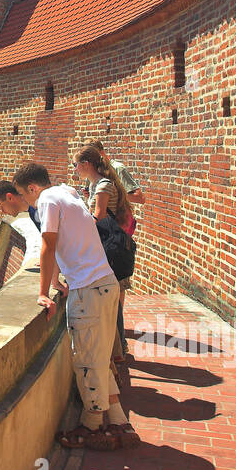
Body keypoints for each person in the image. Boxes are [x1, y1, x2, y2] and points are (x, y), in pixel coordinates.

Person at [14, 161, 140, 452]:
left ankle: (92, 426)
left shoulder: (45, 200)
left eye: (25, 195)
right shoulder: (67, 192)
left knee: (85, 359)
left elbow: (48, 244)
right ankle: (119, 422)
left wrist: (43, 291)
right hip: (105, 284)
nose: (27, 202)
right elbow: (64, 244)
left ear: (32, 188)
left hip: (89, 290)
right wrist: (58, 279)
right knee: (99, 359)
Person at [84, 140, 145, 363]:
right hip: (109, 237)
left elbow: (139, 196)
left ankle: (119, 346)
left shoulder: (113, 172)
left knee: (116, 291)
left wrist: (110, 195)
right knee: (113, 292)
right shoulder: (97, 180)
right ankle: (118, 344)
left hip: (115, 237)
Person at [0, 180, 41, 270]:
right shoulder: (32, 211)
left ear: (9, 197)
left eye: (0, 205)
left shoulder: (38, 207)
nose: (2, 211)